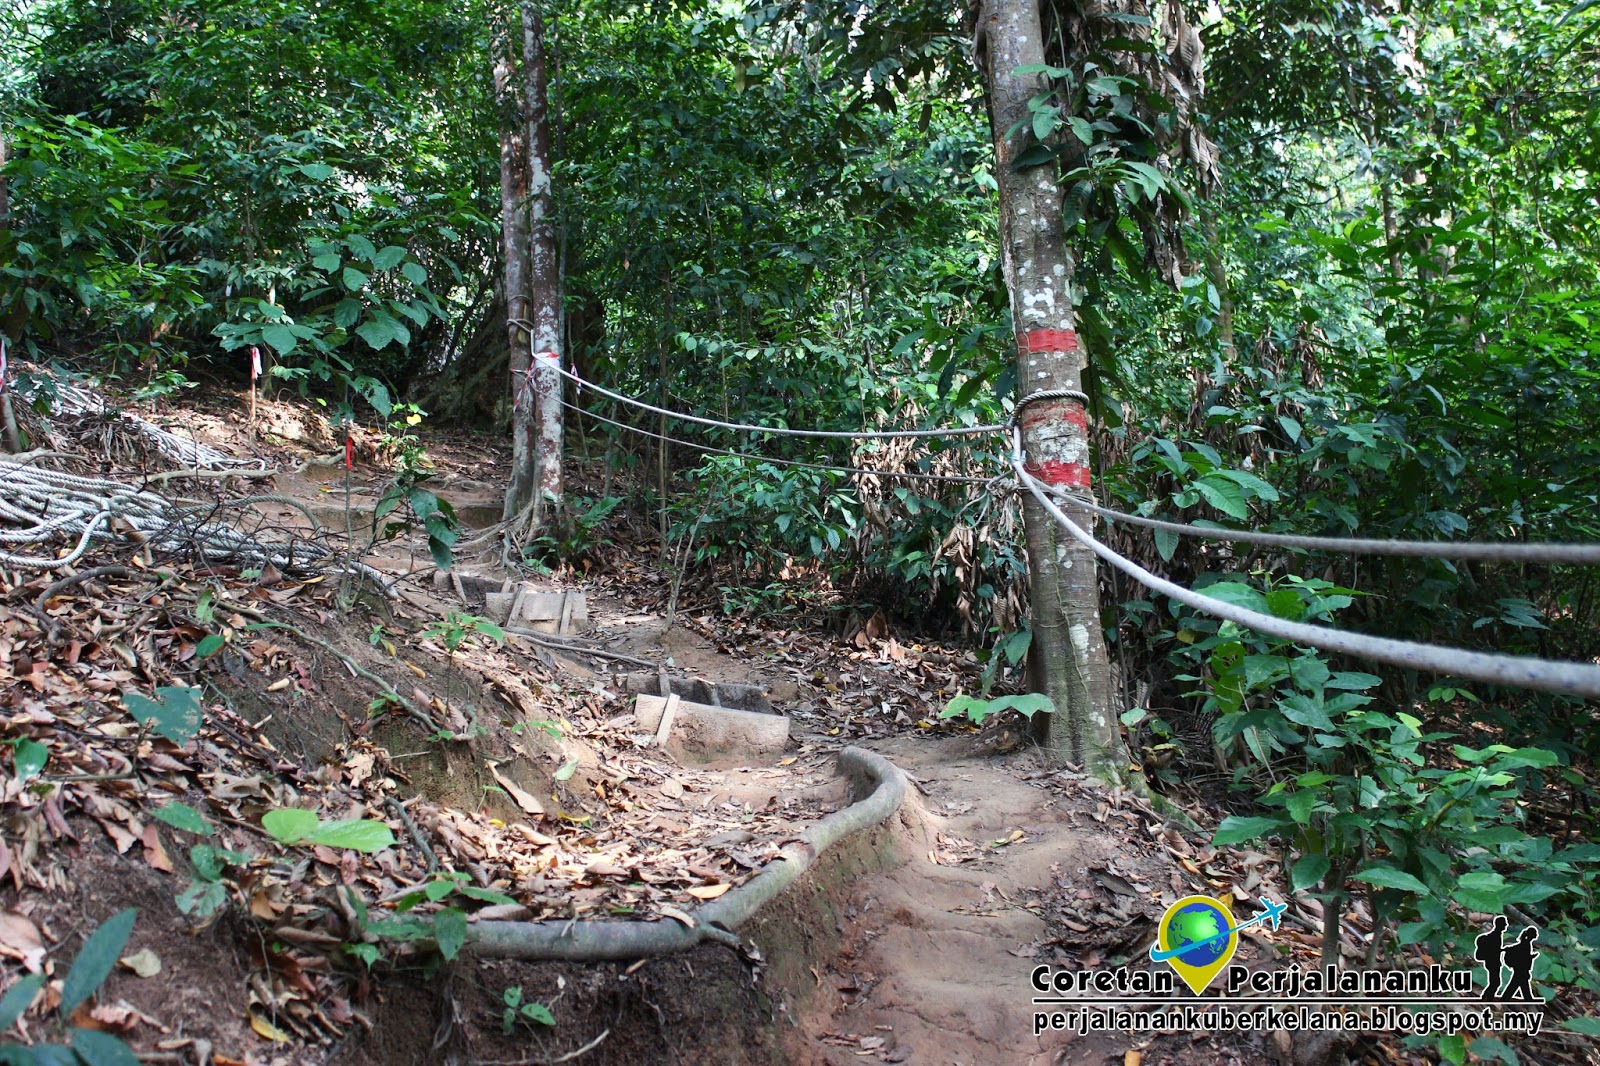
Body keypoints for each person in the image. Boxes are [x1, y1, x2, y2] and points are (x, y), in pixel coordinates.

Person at [1501, 927, 1540, 1001]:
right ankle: (1504, 1000)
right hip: (1521, 970)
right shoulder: (1526, 944)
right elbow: (1523, 957)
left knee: (1517, 987)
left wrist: (1531, 956)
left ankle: (1505, 999)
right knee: (1517, 987)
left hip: (1522, 970)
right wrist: (1531, 957)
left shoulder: (1527, 944)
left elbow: (1523, 956)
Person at [1474, 916, 1507, 1000]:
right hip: (1492, 962)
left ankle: (1487, 997)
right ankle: (1486, 998)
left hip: (1494, 961)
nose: (1506, 925)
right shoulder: (1495, 936)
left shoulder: (1497, 935)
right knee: (1495, 982)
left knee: (1495, 982)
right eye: (1504, 924)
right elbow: (1493, 950)